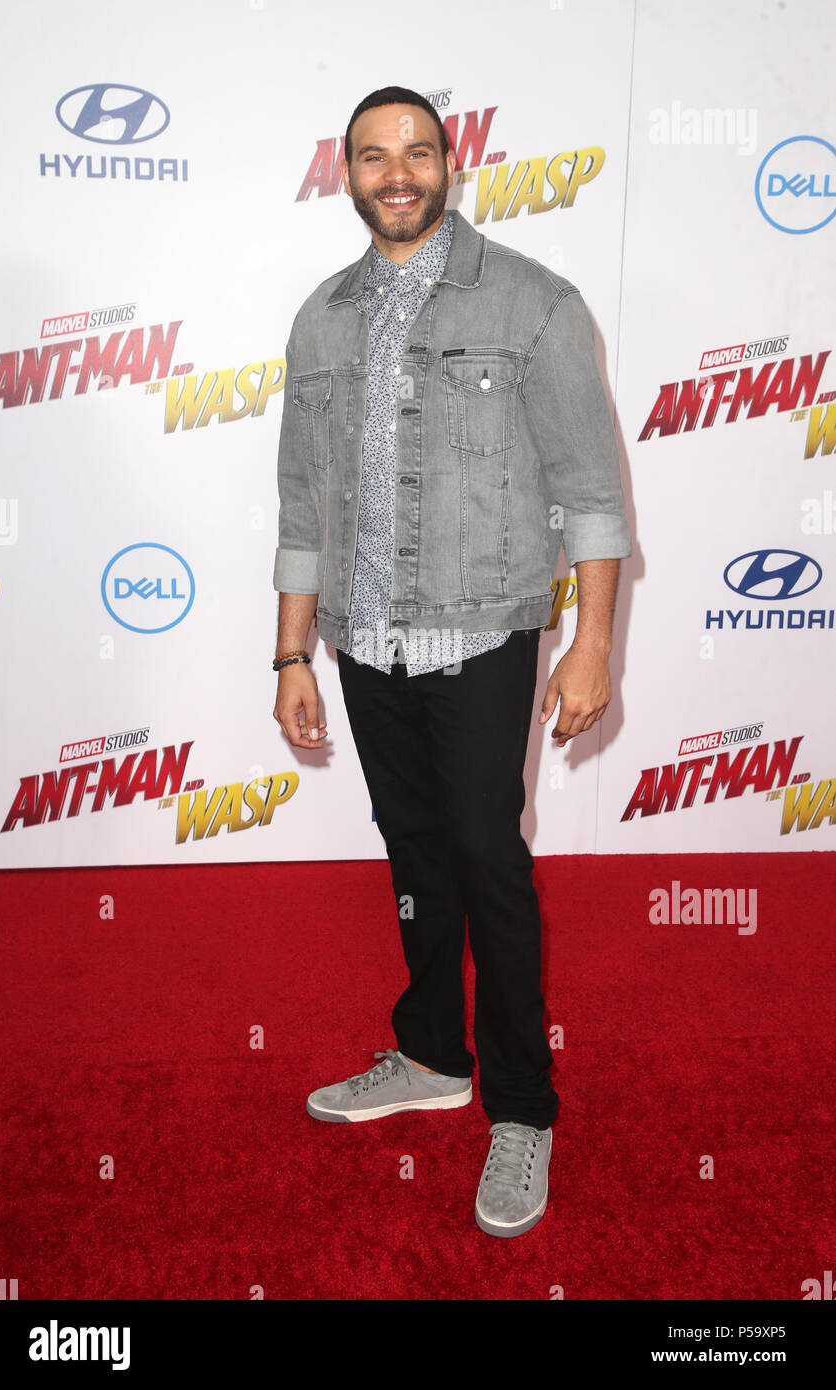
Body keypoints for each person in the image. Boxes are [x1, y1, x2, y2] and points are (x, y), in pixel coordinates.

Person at [272, 86, 632, 1238]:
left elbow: (590, 493)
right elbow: (299, 506)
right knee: (414, 850)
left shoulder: (532, 303)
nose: (395, 172)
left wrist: (593, 642)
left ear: (448, 162)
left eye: (415, 151)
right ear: (346, 173)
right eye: (372, 155)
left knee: (488, 861)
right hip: (364, 638)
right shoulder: (320, 320)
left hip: (482, 629)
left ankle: (521, 1105)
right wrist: (291, 652)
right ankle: (432, 1050)